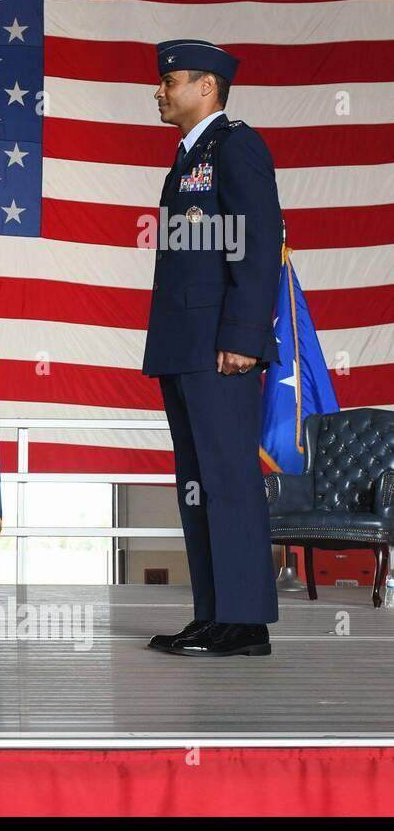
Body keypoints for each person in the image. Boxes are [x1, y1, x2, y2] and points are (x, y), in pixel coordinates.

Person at [143, 39, 281, 658]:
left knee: (228, 481)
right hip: (184, 344)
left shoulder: (237, 147)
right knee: (196, 483)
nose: (160, 90)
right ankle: (213, 613)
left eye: (171, 81)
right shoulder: (184, 159)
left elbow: (256, 247)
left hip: (222, 346)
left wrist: (244, 338)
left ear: (207, 88)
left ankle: (246, 622)